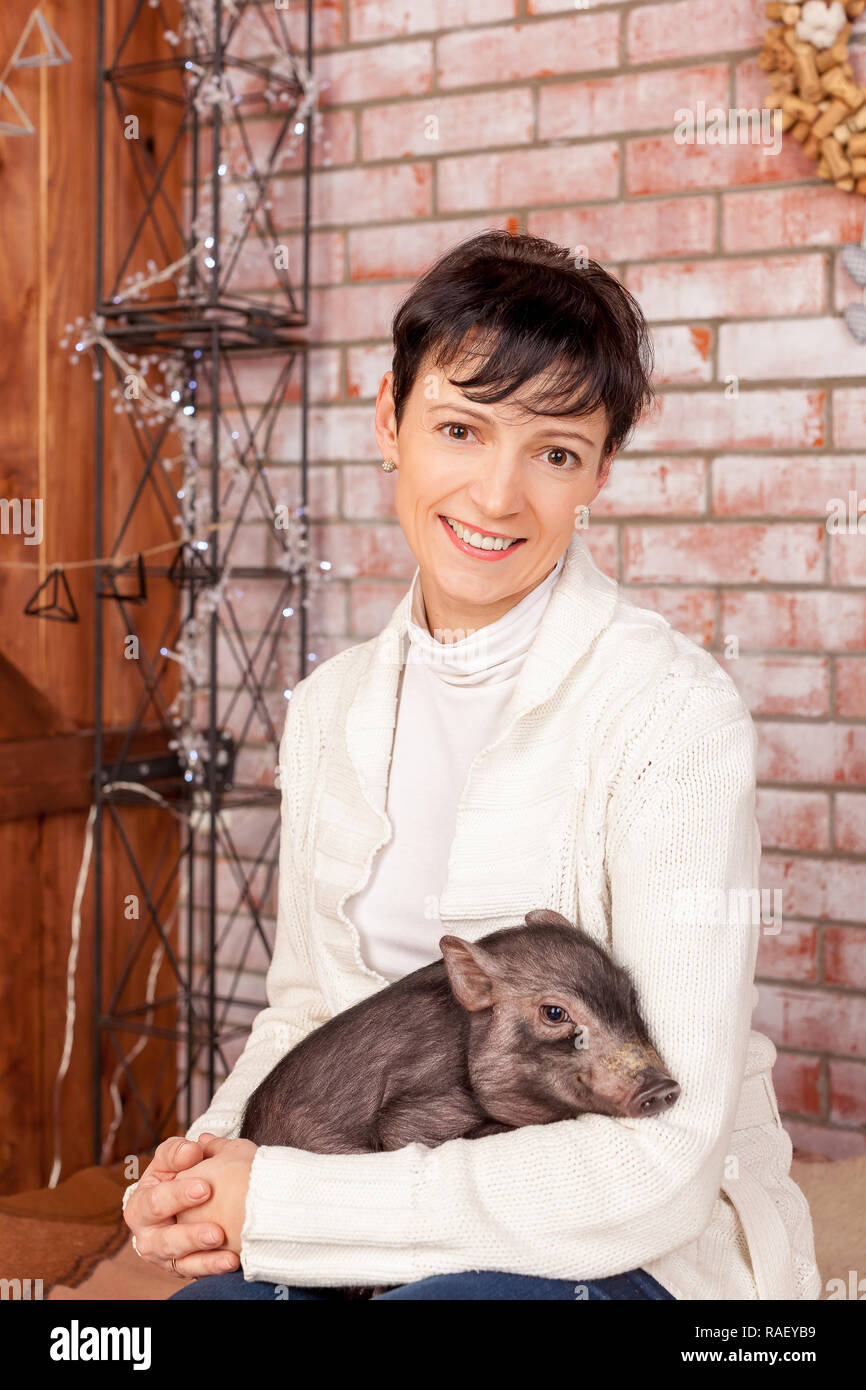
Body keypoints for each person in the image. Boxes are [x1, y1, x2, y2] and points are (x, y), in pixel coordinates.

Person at [123, 230, 821, 1301]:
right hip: (355, 1198)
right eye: (459, 428)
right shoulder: (333, 706)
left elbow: (659, 1153)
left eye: (552, 451)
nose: (497, 497)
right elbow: (311, 1014)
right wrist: (208, 1164)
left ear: (596, 473)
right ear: (388, 422)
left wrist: (289, 1205)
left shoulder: (671, 714)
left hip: (617, 1241)